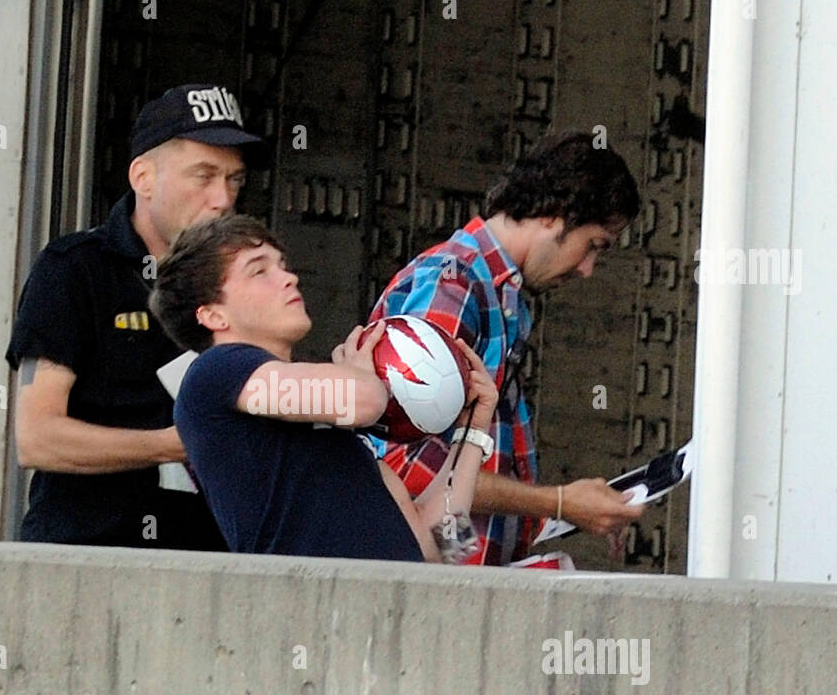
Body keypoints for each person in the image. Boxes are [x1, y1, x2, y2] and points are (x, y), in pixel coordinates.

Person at [366, 130, 646, 566]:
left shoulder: (495, 294)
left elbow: (445, 480)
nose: (588, 270)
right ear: (556, 213)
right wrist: (557, 503)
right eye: (593, 246)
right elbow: (410, 466)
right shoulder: (454, 286)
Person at [149, 214, 498, 563]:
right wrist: (360, 375)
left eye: (283, 265)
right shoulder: (213, 372)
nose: (289, 278)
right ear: (213, 316)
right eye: (259, 270)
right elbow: (366, 401)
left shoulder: (338, 435)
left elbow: (442, 547)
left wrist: (472, 433)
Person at [4, 83, 262, 548]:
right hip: (87, 558)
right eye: (203, 176)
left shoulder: (246, 281)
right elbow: (36, 436)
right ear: (143, 177)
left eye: (234, 180)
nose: (223, 199)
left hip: (213, 565)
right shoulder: (74, 269)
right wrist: (174, 443)